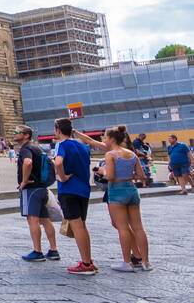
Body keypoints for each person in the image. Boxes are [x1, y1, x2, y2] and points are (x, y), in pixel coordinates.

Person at [98, 126, 151, 271]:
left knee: (122, 228)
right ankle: (146, 262)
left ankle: (127, 262)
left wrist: (102, 170)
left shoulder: (110, 155)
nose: (104, 139)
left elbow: (110, 176)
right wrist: (128, 176)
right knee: (139, 227)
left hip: (117, 191)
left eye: (105, 137)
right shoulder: (132, 154)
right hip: (132, 190)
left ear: (112, 139)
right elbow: (141, 176)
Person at [53, 117, 96, 276]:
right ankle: (88, 260)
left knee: (77, 227)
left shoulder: (61, 145)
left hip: (69, 190)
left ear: (58, 130)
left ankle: (86, 264)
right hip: (83, 190)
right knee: (82, 226)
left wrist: (62, 177)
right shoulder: (82, 146)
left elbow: (58, 163)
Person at [14, 125, 59, 262]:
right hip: (42, 188)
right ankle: (53, 250)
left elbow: (27, 163)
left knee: (32, 219)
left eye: (17, 133)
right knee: (45, 220)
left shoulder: (26, 148)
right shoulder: (37, 147)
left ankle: (37, 251)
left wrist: (24, 181)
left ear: (26, 135)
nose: (14, 135)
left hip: (31, 189)